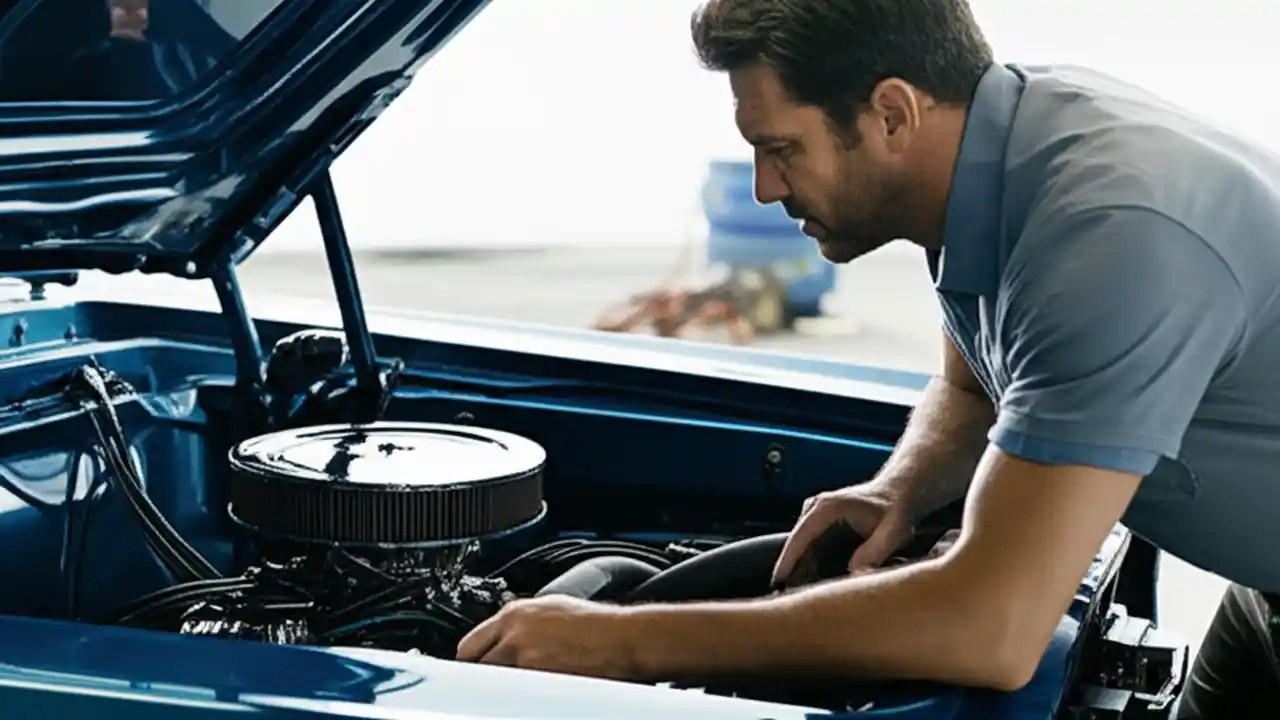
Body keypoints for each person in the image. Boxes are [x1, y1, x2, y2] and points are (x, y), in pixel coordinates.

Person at [456, 2, 1280, 716]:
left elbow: (990, 630)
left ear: (891, 114)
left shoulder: (1108, 233)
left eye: (782, 149)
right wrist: (900, 487)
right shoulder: (1000, 159)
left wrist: (623, 645)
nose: (764, 190)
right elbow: (978, 381)